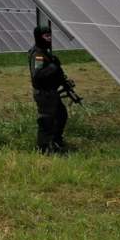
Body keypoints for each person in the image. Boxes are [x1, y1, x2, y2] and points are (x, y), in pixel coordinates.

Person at [28, 24, 69, 154]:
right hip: (45, 94)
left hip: (52, 93)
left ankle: (56, 142)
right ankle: (44, 149)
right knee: (46, 121)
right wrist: (53, 67)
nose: (49, 38)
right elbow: (38, 74)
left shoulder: (45, 52)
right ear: (39, 37)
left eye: (50, 35)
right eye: (46, 36)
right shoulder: (38, 54)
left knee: (61, 115)